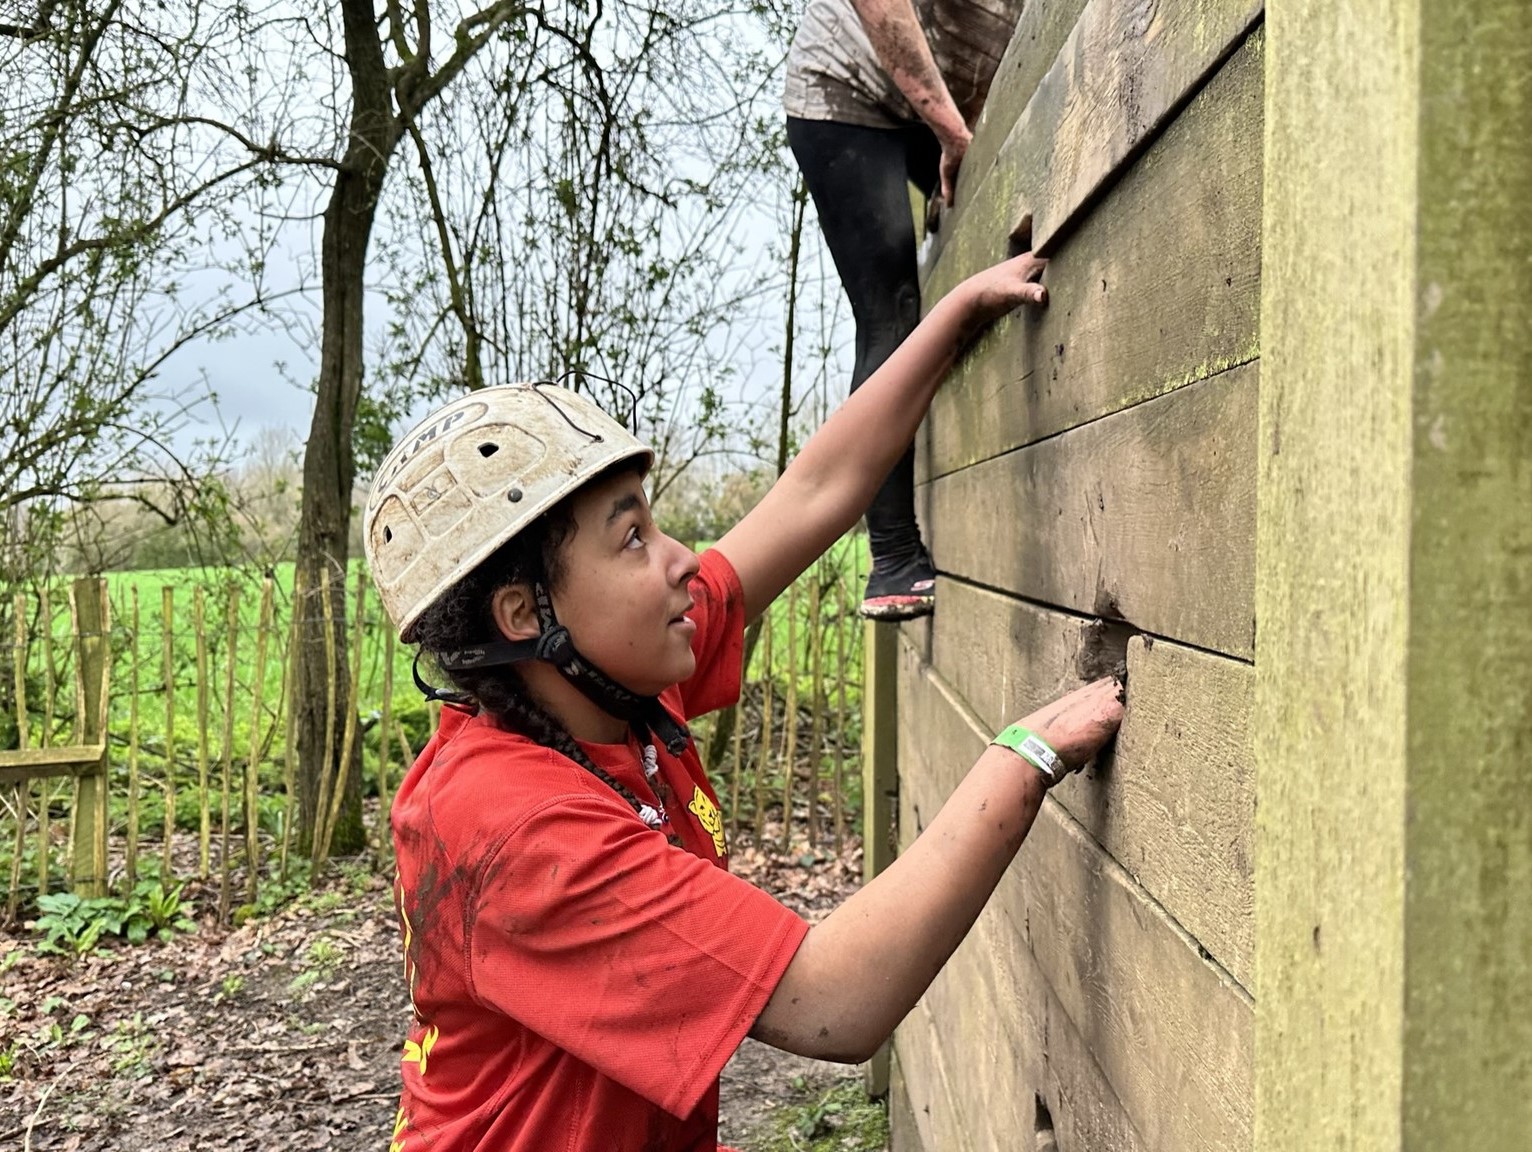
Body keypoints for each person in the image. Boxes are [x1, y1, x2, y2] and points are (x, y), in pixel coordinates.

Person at [365, 252, 1124, 1152]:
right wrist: (1023, 759)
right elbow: (834, 1000)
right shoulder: (513, 828)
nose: (681, 558)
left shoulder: (611, 692)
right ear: (526, 614)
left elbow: (815, 493)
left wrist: (949, 321)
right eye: (632, 537)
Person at [785, 0, 1024, 619]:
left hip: (935, 106)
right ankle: (891, 553)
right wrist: (950, 130)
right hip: (846, 98)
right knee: (890, 313)